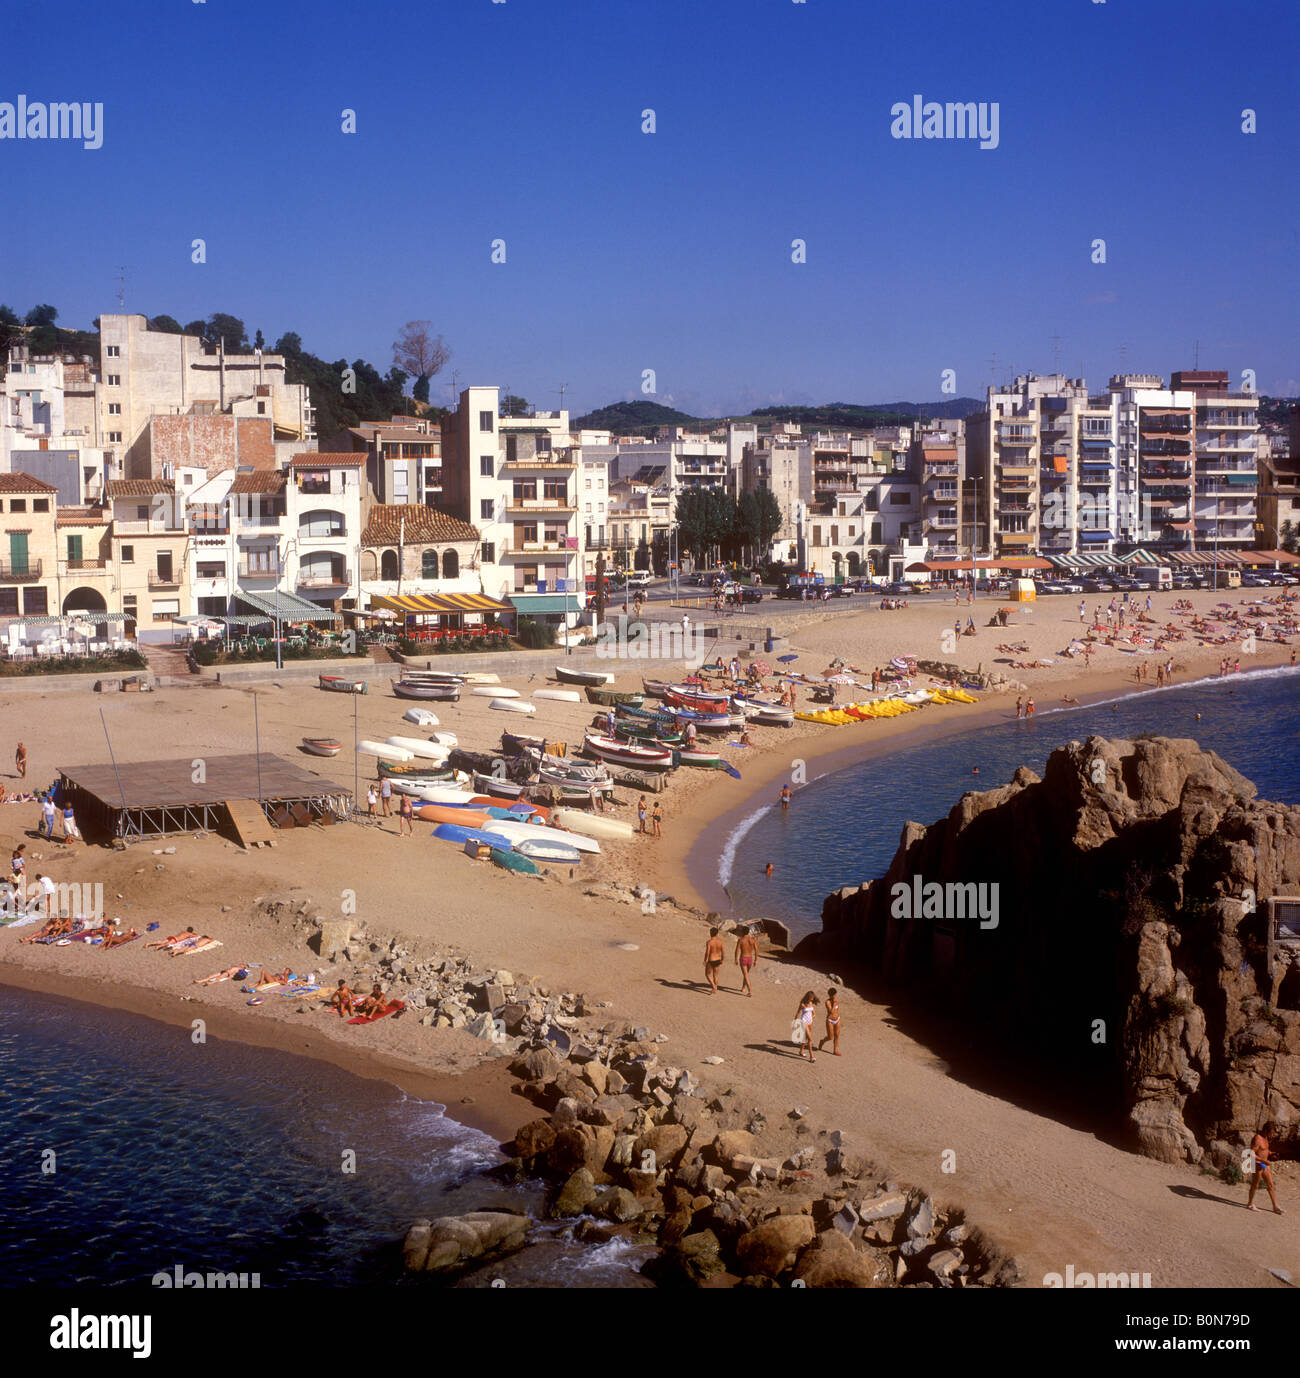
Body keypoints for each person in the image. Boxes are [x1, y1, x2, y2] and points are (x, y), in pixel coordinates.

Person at [1246, 1123, 1283, 1214]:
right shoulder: (1257, 1139)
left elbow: (1264, 1150)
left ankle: (1275, 1206)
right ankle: (1250, 1204)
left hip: (1264, 1164)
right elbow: (1251, 1154)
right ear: (1266, 1130)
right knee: (1255, 1185)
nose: (1271, 1135)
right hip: (1257, 1164)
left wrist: (1270, 1153)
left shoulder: (1265, 1138)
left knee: (1270, 1184)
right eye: (1270, 1133)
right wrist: (1264, 1160)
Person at [735, 926, 758, 997]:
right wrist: (755, 960)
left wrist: (736, 959)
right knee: (746, 974)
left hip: (743, 958)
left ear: (742, 932)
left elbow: (737, 950)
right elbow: (756, 950)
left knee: (746, 974)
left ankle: (750, 991)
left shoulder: (741, 940)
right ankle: (743, 987)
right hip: (750, 959)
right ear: (748, 932)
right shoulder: (753, 940)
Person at [795, 991, 817, 1063]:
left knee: (806, 1038)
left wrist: (812, 1017)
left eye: (813, 998)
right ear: (808, 997)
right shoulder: (802, 1004)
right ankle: (811, 1057)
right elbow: (798, 1013)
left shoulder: (811, 1003)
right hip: (803, 1022)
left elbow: (814, 1014)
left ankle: (801, 1051)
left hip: (810, 1022)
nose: (812, 999)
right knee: (810, 1039)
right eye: (811, 998)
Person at [817, 988, 841, 1055]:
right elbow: (831, 1011)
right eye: (834, 995)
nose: (835, 996)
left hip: (837, 1019)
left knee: (837, 1035)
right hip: (830, 1020)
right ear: (831, 995)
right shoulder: (827, 1002)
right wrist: (834, 1003)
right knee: (830, 1037)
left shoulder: (836, 1000)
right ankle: (822, 1041)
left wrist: (836, 1003)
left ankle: (835, 1050)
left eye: (835, 995)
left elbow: (837, 1010)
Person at [703, 926, 725, 994]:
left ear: (710, 933)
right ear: (717, 933)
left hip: (711, 960)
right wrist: (722, 959)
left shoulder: (709, 942)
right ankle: (716, 988)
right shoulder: (720, 942)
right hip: (718, 959)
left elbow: (707, 952)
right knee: (715, 975)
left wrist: (705, 960)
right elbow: (723, 952)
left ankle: (714, 986)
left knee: (707, 974)